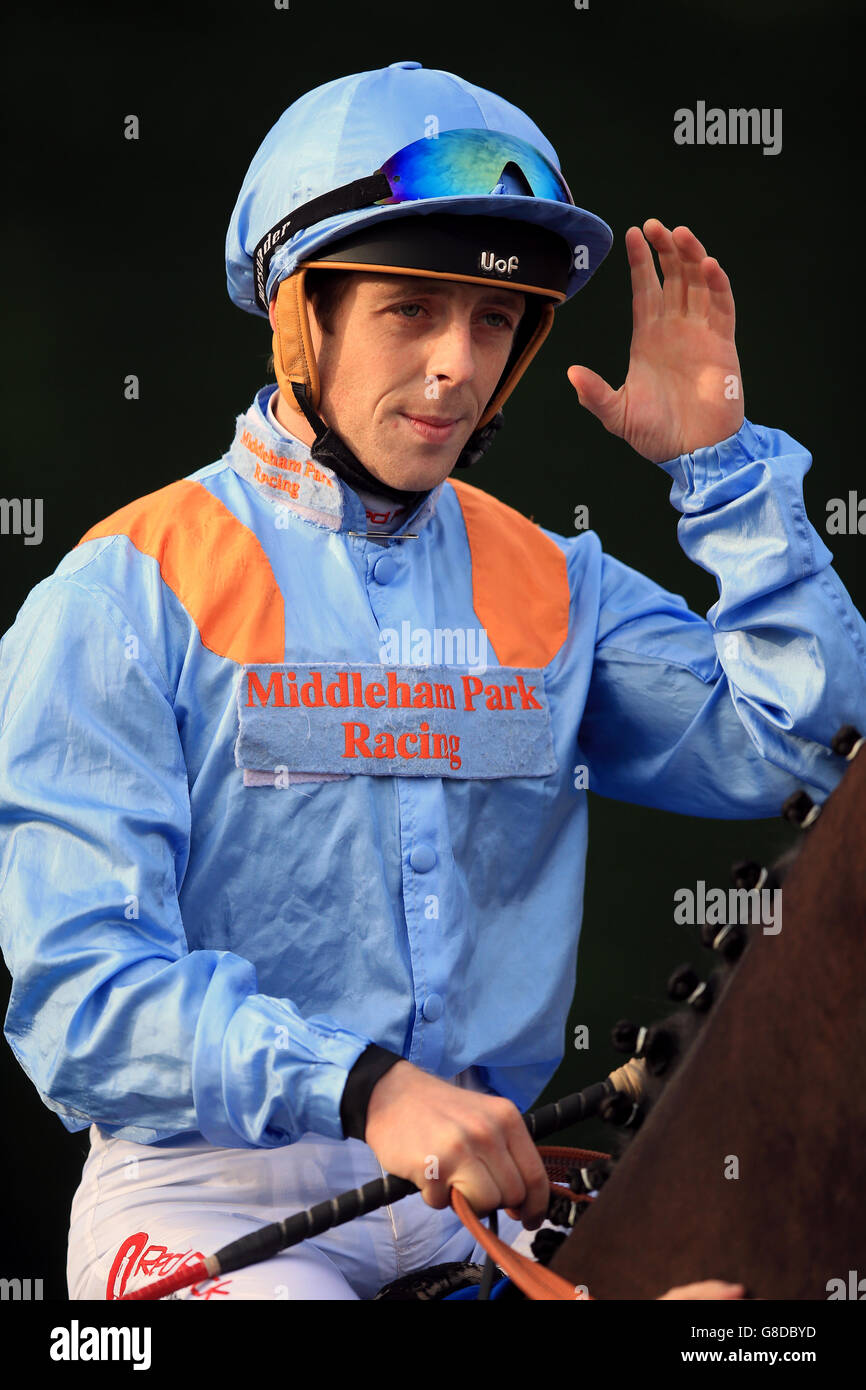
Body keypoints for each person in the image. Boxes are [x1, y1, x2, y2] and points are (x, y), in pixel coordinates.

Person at [0, 60, 863, 1303]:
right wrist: (366, 1087)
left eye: (494, 320)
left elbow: (816, 751)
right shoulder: (120, 595)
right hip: (212, 1207)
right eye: (411, 310)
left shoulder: (557, 586)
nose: (458, 366)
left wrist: (719, 469)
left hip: (488, 1218)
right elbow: (84, 990)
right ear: (303, 317)